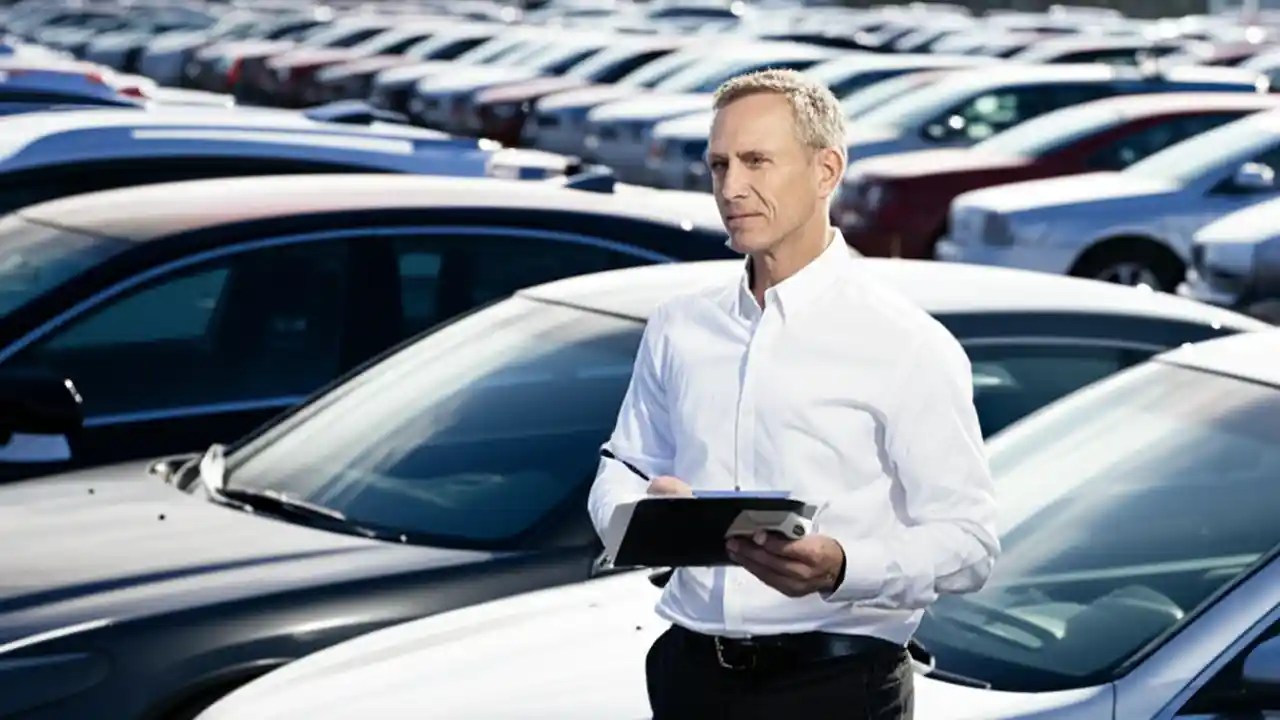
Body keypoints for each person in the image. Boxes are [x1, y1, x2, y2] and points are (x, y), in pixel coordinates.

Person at [587, 68, 1001, 720]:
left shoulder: (905, 342)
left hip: (835, 688)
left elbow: (969, 543)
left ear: (826, 170)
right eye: (718, 164)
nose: (730, 187)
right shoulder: (679, 324)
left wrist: (842, 566)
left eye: (756, 161)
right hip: (689, 675)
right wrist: (636, 516)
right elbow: (623, 467)